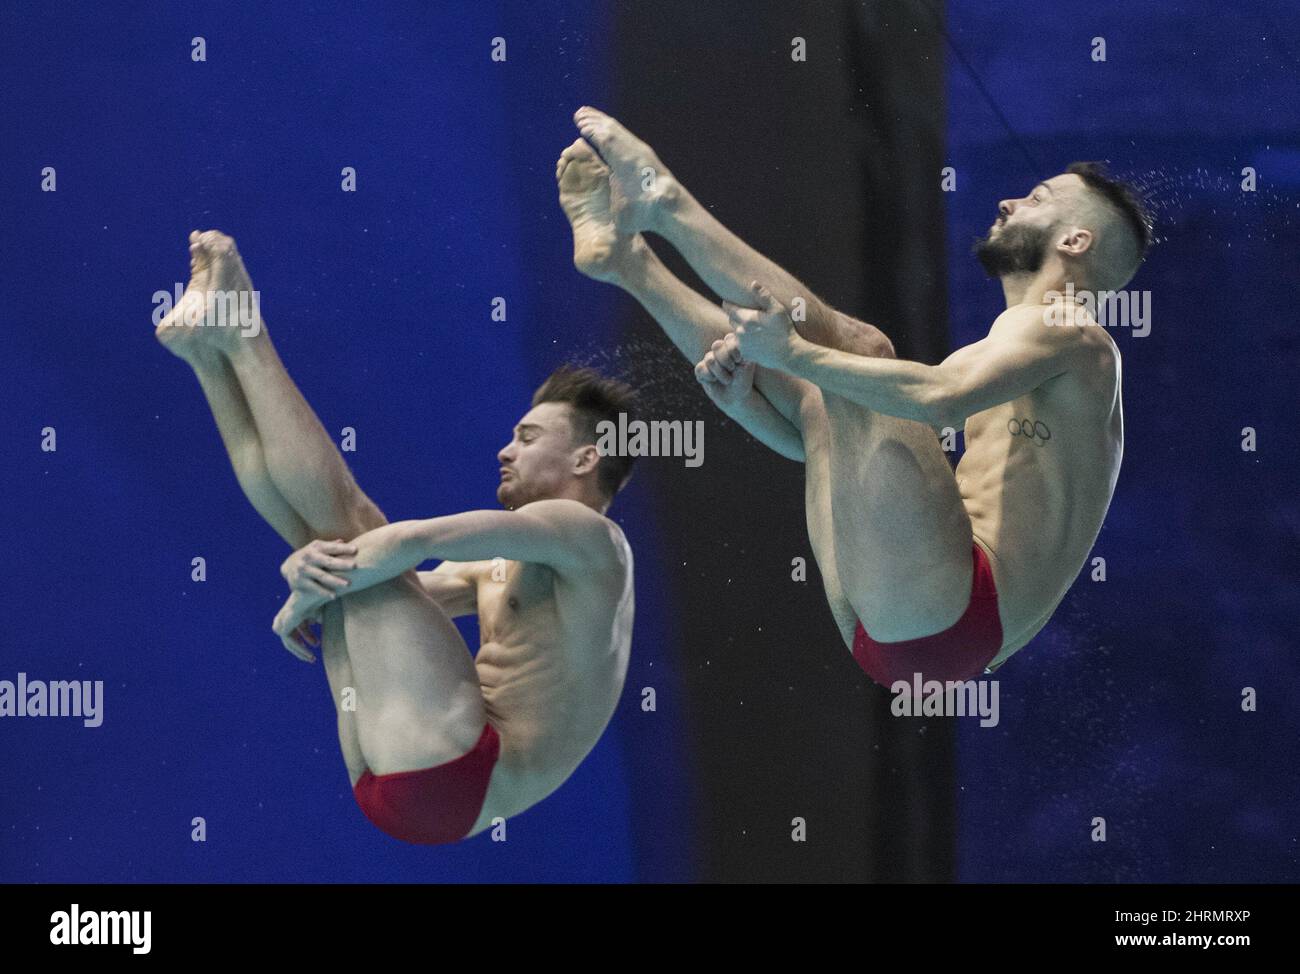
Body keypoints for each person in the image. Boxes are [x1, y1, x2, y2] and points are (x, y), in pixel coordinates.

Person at [558, 106, 1151, 686]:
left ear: (1075, 240)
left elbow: (942, 400)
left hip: (955, 604)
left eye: (1038, 199)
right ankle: (629, 263)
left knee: (862, 348)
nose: (1009, 202)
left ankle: (665, 202)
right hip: (908, 626)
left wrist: (792, 354)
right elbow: (817, 446)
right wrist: (744, 404)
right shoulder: (1021, 349)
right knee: (827, 399)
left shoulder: (1074, 332)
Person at [156, 230, 636, 843]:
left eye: (528, 438)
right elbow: (393, 582)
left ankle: (242, 331)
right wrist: (311, 580)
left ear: (586, 460)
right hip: (418, 780)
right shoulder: (507, 567)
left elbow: (414, 542)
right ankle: (207, 358)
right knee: (319, 535)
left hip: (460, 767)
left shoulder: (594, 539)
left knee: (355, 520)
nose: (505, 450)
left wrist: (310, 588)